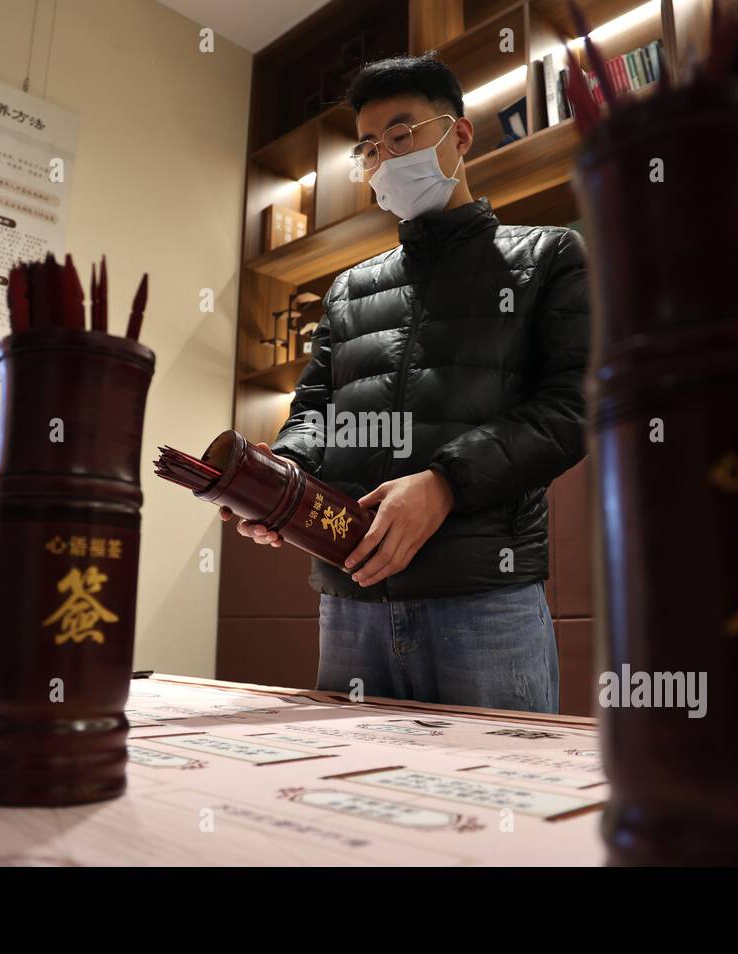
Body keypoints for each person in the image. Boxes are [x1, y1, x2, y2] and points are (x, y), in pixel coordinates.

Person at [221, 53, 589, 713]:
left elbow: (571, 409)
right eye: (368, 147)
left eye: (403, 133)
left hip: (485, 601)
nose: (385, 158)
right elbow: (313, 410)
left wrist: (445, 483)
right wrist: (280, 480)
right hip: (349, 602)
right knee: (352, 801)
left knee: (501, 795)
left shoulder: (548, 256)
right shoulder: (348, 287)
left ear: (460, 135)